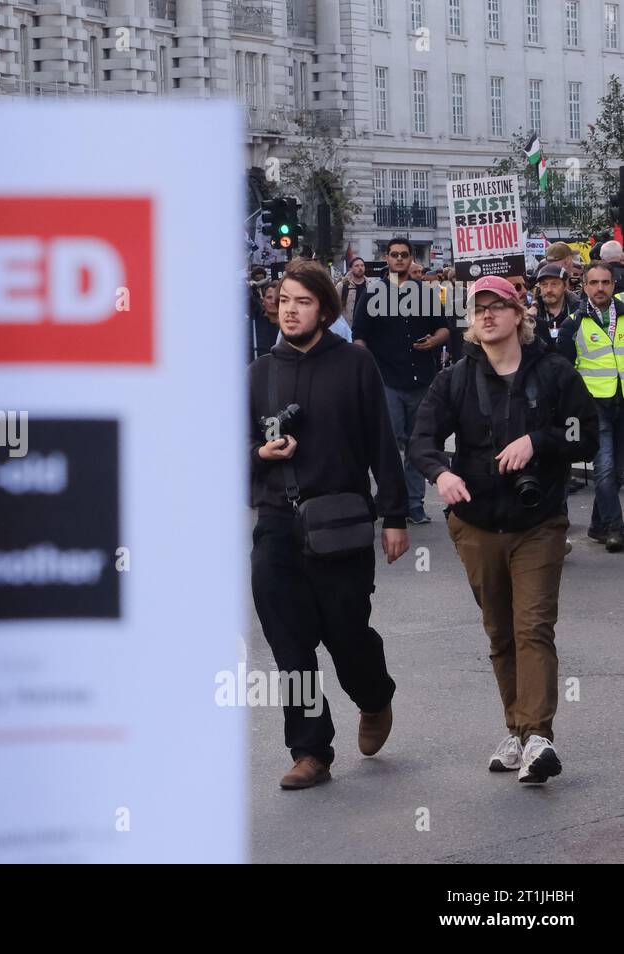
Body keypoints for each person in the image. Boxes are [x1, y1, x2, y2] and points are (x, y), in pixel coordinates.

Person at [409, 276, 597, 783]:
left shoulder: (555, 372)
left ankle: (537, 736)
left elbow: (586, 436)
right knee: (499, 631)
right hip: (475, 524)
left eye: (497, 306)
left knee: (532, 625)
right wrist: (441, 474)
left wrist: (538, 441)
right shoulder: (454, 380)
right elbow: (421, 440)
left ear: (519, 315)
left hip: (539, 522)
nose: (487, 315)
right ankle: (516, 732)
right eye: (479, 309)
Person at [248, 259, 408, 791]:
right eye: (284, 300)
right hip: (276, 525)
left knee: (346, 635)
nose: (290, 310)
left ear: (324, 309)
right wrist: (259, 452)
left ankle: (374, 695)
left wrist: (394, 515)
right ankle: (310, 750)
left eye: (303, 301)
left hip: (340, 522)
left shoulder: (355, 365)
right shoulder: (259, 373)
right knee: (290, 646)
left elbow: (382, 444)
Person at [353, 236, 450, 524]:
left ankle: (414, 504)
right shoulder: (373, 293)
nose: (398, 259)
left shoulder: (427, 292)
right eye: (394, 254)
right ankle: (390, 500)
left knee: (418, 445)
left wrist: (433, 341)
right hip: (387, 381)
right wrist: (368, 371)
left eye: (404, 255)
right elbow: (359, 337)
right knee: (390, 446)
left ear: (411, 259)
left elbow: (444, 329)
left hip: (422, 380)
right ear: (386, 258)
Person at [554, 261, 624, 551]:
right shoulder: (573, 323)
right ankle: (615, 528)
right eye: (593, 283)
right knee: (605, 469)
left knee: (618, 472)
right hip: (595, 407)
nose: (599, 288)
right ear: (584, 287)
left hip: (622, 403)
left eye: (605, 282)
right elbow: (564, 372)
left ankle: (596, 525)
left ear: (613, 285)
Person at [336, 256, 368, 326]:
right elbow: (334, 306)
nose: (360, 268)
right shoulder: (342, 286)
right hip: (348, 328)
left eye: (362, 265)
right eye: (356, 266)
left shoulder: (371, 286)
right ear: (350, 269)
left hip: (366, 329)